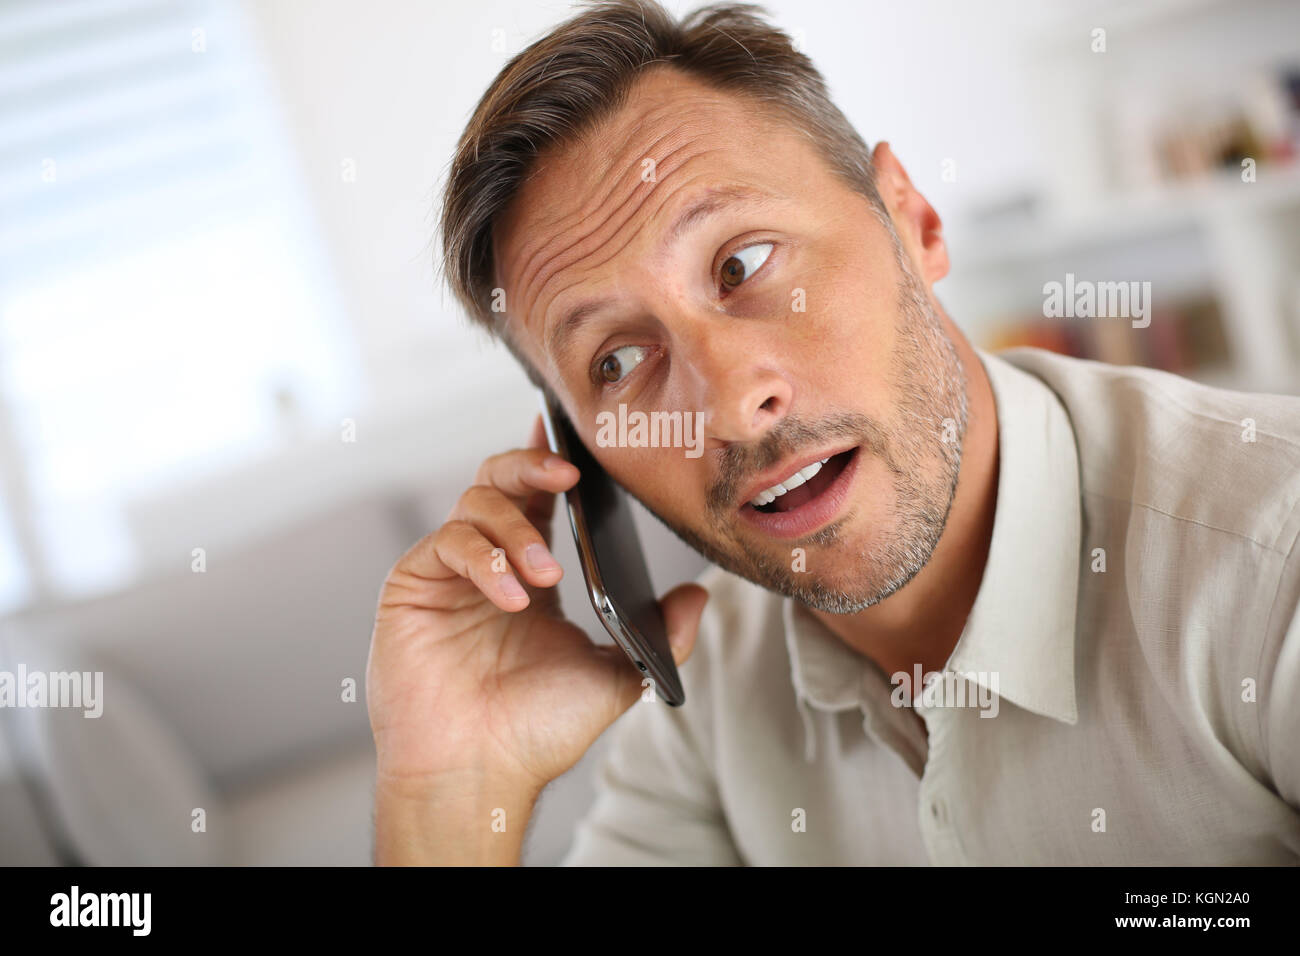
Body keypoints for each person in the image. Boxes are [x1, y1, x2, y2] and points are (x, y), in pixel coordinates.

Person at [365, 0, 1300, 865]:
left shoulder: (1270, 562)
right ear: (582, 458)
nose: (729, 404)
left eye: (744, 262)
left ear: (913, 221)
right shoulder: (712, 701)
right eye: (615, 362)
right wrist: (452, 788)